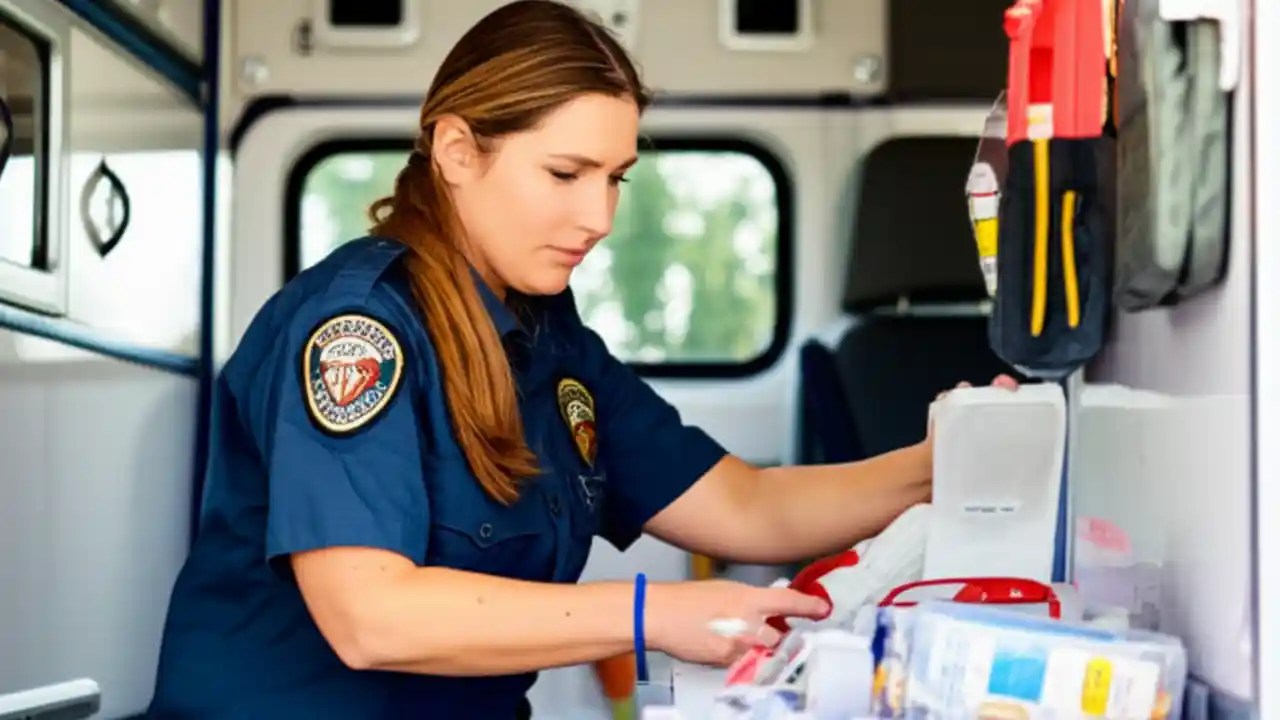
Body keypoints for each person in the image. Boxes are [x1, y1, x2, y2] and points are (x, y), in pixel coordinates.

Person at [147, 1, 1018, 717]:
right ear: (457, 152)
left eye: (616, 178)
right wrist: (649, 613)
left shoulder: (550, 341)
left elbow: (746, 507)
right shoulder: (356, 331)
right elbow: (371, 618)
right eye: (566, 174)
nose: (600, 216)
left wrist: (937, 464)